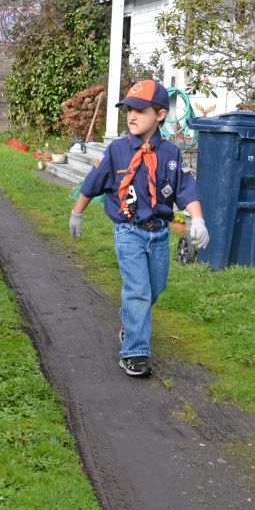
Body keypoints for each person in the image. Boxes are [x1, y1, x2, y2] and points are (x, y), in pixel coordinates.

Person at [68, 79, 208, 379]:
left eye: (140, 111)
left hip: (158, 233)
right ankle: (134, 353)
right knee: (139, 292)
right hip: (128, 231)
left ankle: (131, 323)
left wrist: (197, 219)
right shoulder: (117, 150)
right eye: (128, 110)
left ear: (159, 115)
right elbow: (92, 184)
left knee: (155, 289)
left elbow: (186, 188)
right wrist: (76, 213)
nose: (131, 116)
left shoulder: (171, 154)